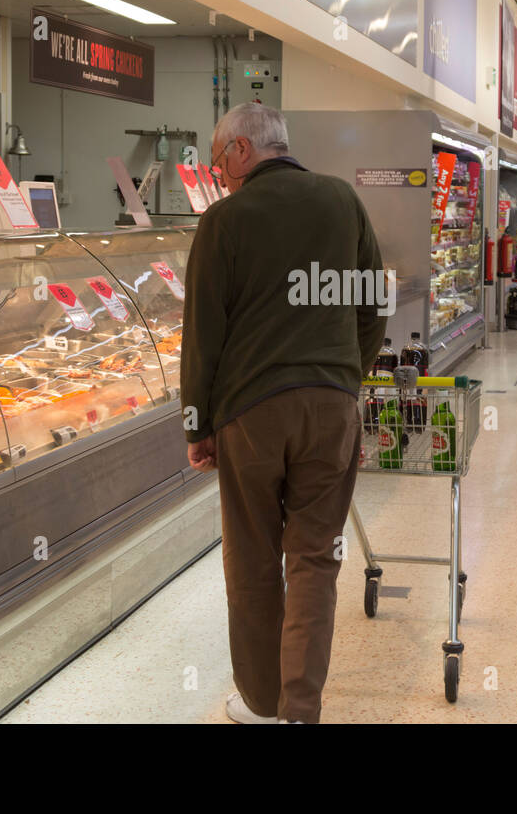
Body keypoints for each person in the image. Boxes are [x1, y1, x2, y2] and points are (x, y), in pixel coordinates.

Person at [181, 103, 387, 724]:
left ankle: (261, 705)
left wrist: (199, 423)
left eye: (220, 162)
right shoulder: (342, 201)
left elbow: (204, 334)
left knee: (251, 561)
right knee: (315, 557)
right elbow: (373, 302)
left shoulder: (224, 221)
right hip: (330, 406)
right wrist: (346, 375)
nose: (220, 176)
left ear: (243, 149)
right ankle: (301, 710)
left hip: (251, 411)